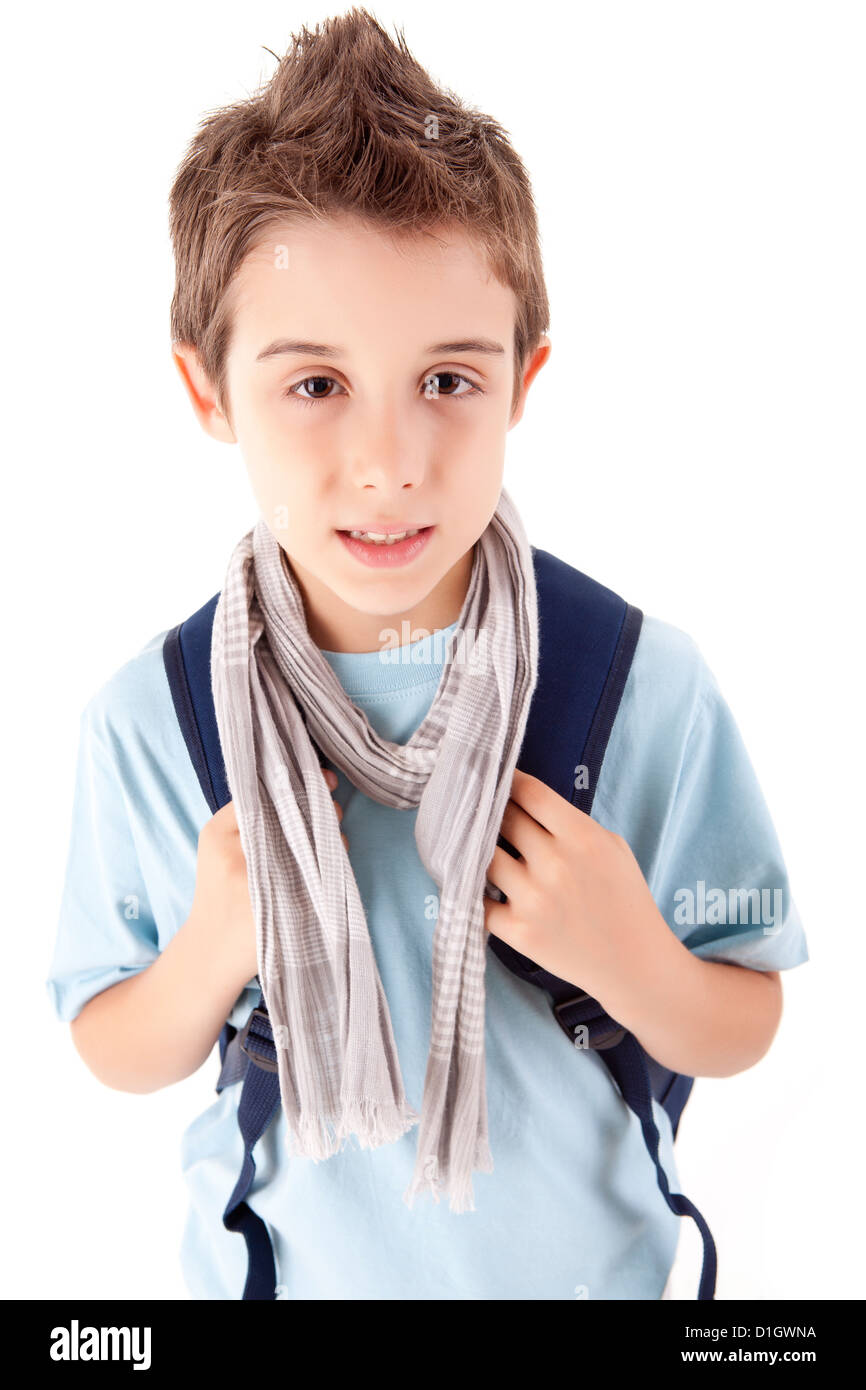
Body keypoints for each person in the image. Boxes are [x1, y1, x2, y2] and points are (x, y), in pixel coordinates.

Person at [46, 8, 808, 1300]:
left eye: (446, 380)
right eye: (314, 384)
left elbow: (744, 1014)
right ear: (206, 392)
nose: (390, 461)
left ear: (522, 377)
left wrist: (629, 954)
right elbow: (110, 1036)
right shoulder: (157, 717)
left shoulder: (632, 685)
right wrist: (211, 947)